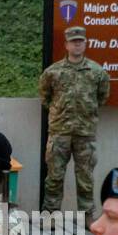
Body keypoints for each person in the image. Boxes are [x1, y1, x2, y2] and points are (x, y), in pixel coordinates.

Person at [40, 25, 110, 214]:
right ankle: (51, 214)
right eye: (73, 42)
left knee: (85, 177)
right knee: (54, 177)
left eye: (80, 42)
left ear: (85, 44)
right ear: (67, 45)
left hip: (85, 133)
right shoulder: (52, 72)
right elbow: (45, 97)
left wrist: (85, 112)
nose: (77, 45)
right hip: (59, 132)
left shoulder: (97, 72)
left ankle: (87, 215)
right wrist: (60, 112)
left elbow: (102, 97)